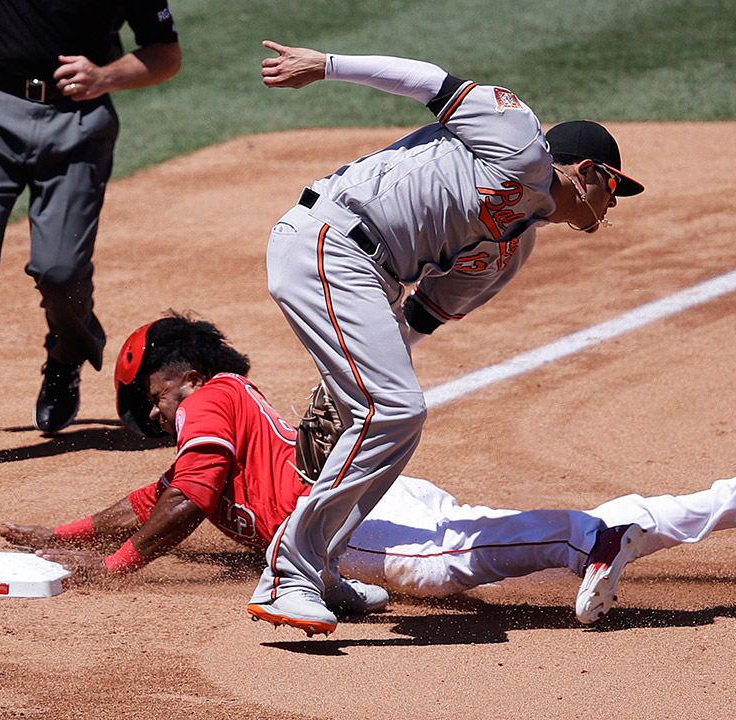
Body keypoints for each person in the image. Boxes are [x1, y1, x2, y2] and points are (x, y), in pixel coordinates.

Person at [0, 315, 736, 635]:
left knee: (463, 564)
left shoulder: (202, 401)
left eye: (146, 399)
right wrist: (61, 536)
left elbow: (184, 502)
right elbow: (152, 500)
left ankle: (600, 538)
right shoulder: (224, 405)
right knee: (490, 541)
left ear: (158, 380)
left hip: (358, 525)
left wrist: (112, 571)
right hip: (363, 515)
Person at [247, 41, 646, 630]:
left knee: (397, 420)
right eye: (612, 188)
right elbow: (427, 81)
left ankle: (320, 564)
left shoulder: (511, 247)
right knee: (396, 409)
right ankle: (288, 575)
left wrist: (348, 383)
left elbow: (420, 318)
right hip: (328, 240)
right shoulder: (516, 135)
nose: (611, 205)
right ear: (586, 171)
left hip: (370, 279)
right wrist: (324, 66)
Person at [0, 0, 182, 467]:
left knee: (60, 270)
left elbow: (165, 54)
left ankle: (66, 356)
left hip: (78, 123)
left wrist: (105, 77)